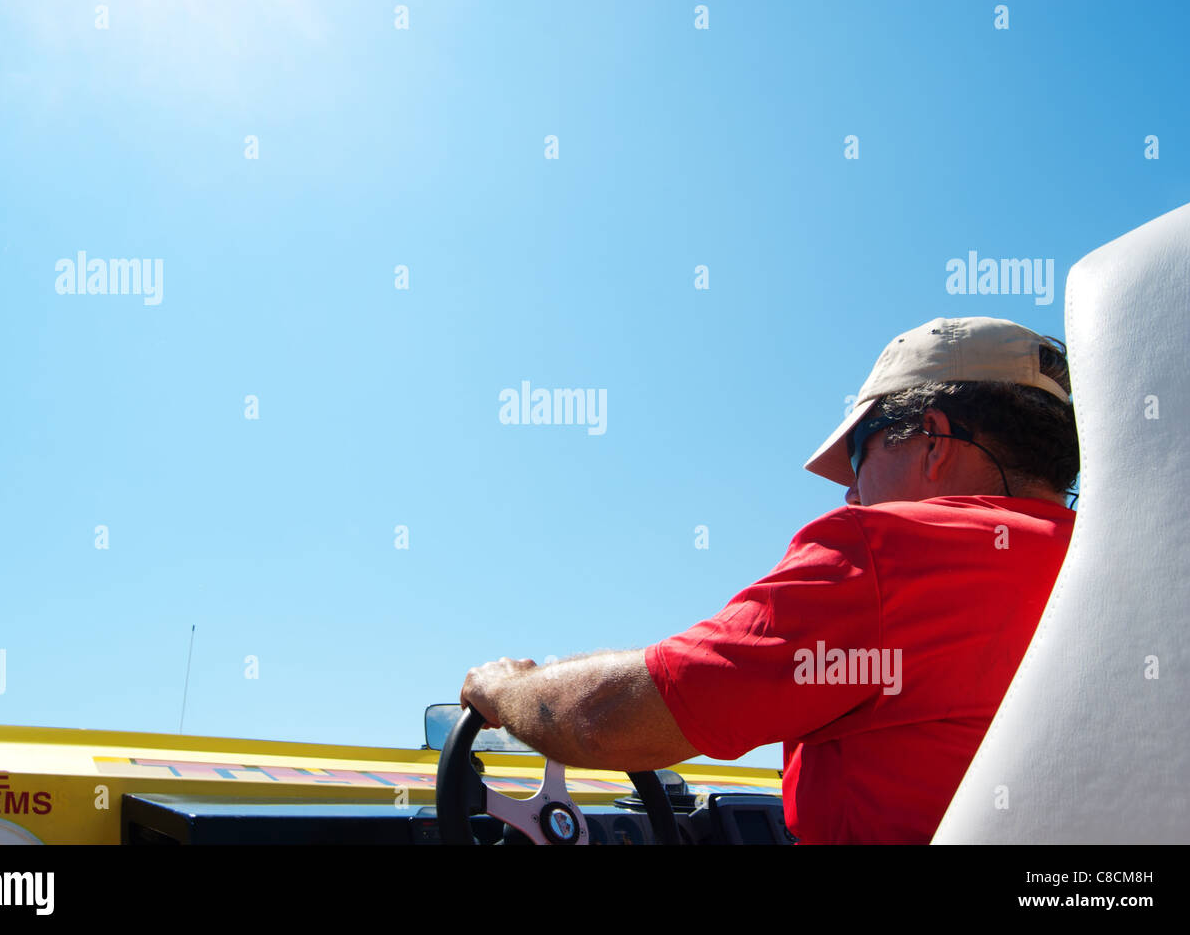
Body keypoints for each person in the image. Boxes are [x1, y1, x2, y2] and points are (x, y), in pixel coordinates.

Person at [459, 316, 1080, 843]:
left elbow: (611, 718)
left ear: (932, 440)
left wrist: (510, 689)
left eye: (859, 455)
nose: (851, 491)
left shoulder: (889, 554)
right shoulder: (1108, 559)